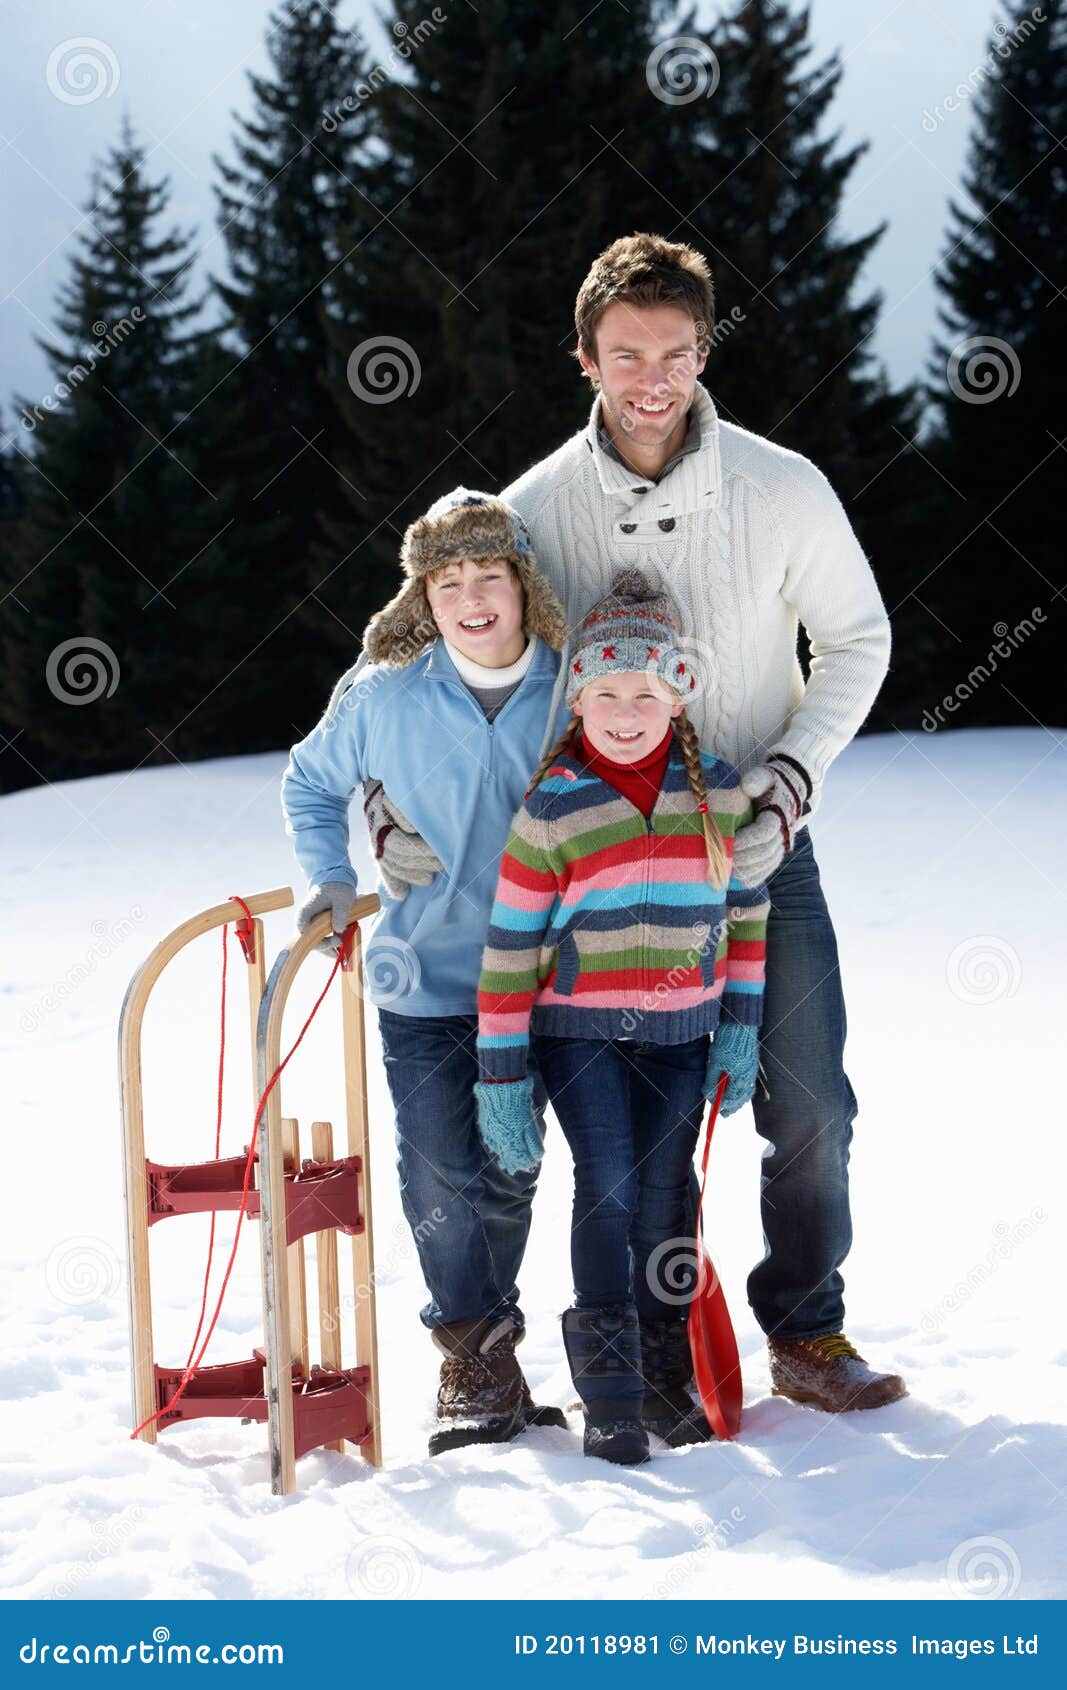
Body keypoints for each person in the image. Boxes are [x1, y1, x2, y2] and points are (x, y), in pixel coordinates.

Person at [363, 232, 907, 1414]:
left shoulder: (781, 487)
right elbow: (423, 640)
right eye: (624, 355)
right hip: (581, 871)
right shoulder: (534, 506)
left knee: (808, 1102)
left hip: (754, 855)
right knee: (595, 1138)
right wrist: (366, 793)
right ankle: (558, 1345)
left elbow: (858, 641)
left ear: (701, 351)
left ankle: (807, 1333)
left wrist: (786, 780)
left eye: (672, 351)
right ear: (584, 360)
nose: (649, 378)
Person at [280, 488, 571, 1455]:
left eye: (489, 575)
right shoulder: (384, 691)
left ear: (524, 584)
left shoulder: (576, 684)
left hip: (555, 978)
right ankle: (470, 1357)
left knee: (513, 1168)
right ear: (423, 597)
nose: (471, 598)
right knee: (442, 1167)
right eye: (447, 582)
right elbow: (310, 779)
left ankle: (497, 1345)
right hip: (428, 977)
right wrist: (333, 870)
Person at [475, 570, 770, 1465]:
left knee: (663, 1195)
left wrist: (741, 1022)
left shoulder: (718, 796)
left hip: (684, 1033)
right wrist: (500, 1070)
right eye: (604, 691)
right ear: (580, 699)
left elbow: (746, 914)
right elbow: (508, 947)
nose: (625, 709)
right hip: (579, 1033)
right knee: (604, 1186)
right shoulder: (555, 804)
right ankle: (607, 1398)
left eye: (645, 690)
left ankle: (661, 1373)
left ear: (677, 694)